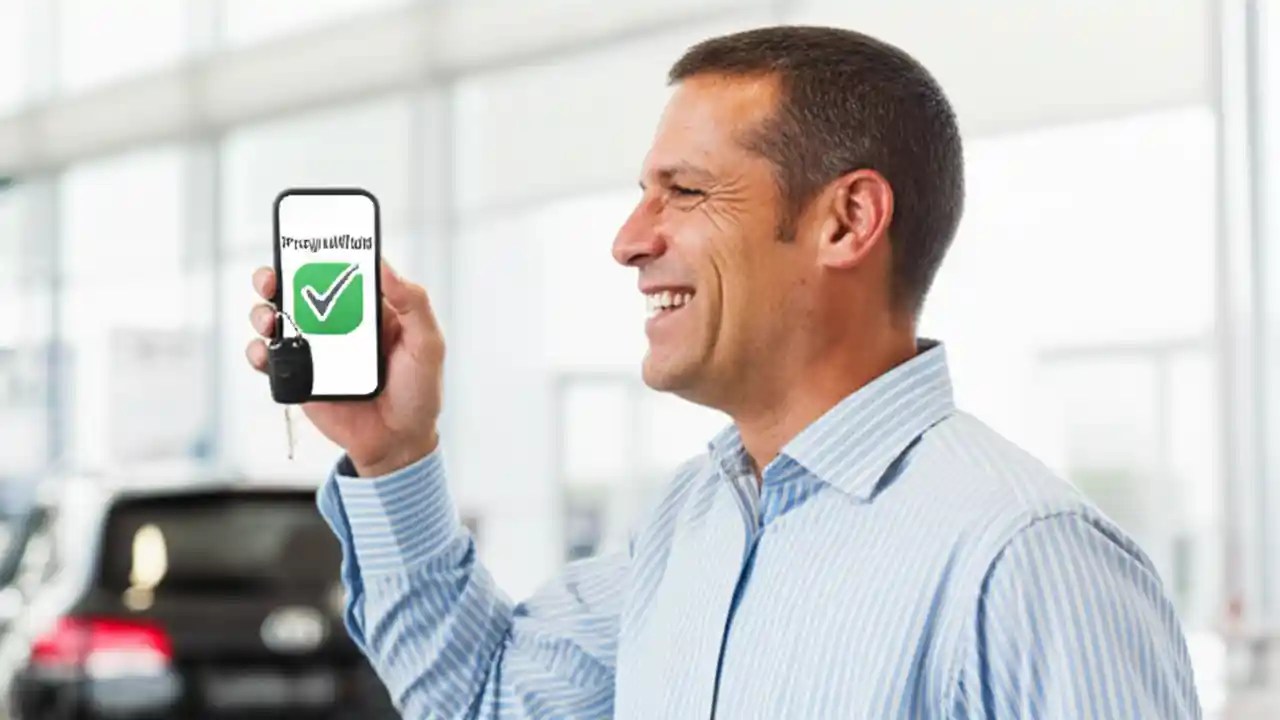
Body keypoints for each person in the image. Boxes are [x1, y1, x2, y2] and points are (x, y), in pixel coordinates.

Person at [246, 25, 1201, 720]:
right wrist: (392, 452)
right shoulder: (693, 526)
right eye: (641, 196)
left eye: (686, 193)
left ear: (844, 222)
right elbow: (486, 696)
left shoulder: (1025, 561)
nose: (628, 242)